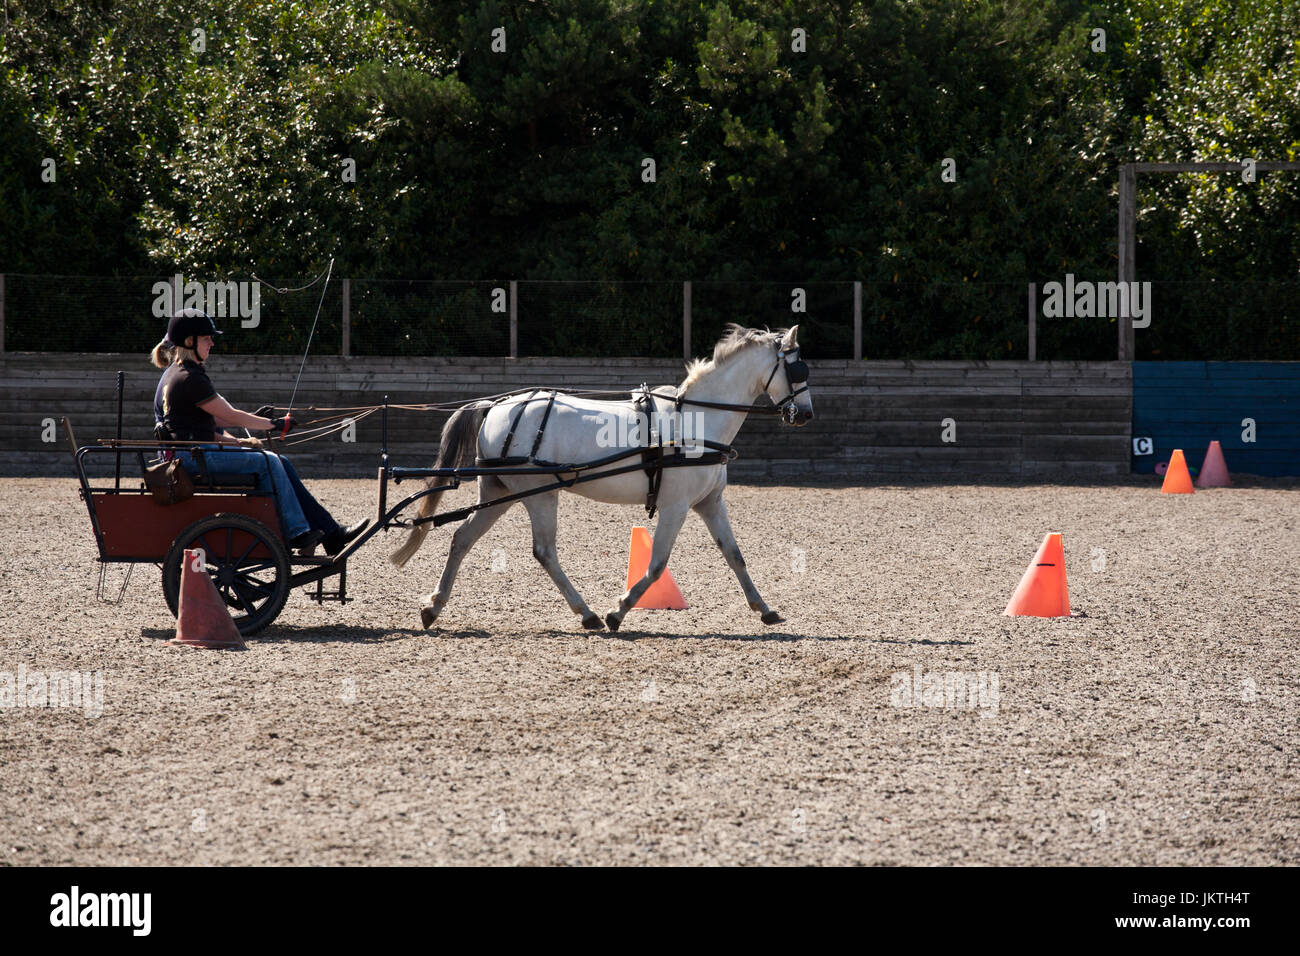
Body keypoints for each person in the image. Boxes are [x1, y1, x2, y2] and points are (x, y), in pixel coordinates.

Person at [151, 308, 366, 557]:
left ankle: (330, 533)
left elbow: (210, 421)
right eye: (206, 338)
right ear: (190, 341)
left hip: (192, 455)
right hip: (194, 458)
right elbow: (229, 416)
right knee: (270, 462)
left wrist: (253, 428)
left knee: (281, 463)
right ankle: (298, 533)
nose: (211, 342)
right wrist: (272, 424)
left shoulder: (177, 374)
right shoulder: (189, 377)